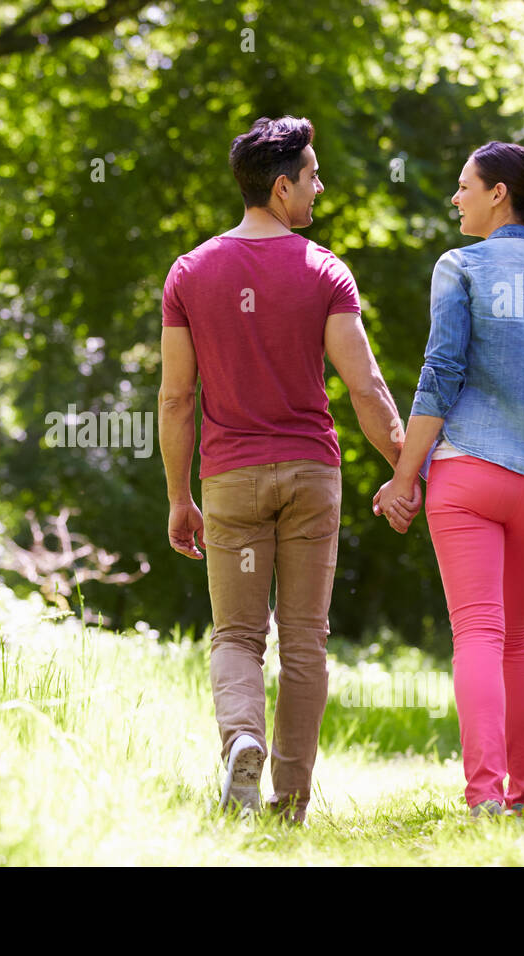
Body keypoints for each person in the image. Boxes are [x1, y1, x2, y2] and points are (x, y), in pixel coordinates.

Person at [158, 115, 420, 824]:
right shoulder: (323, 270)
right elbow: (365, 386)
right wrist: (406, 467)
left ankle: (242, 737)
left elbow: (178, 397)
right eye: (311, 176)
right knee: (305, 640)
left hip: (232, 481)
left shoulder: (190, 272)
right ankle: (289, 805)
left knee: (238, 635)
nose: (320, 186)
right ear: (282, 187)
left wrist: (180, 498)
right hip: (310, 477)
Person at [373, 141, 524, 820]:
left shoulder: (461, 267)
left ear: (499, 192)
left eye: (464, 186)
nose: (455, 198)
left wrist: (403, 479)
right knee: (519, 637)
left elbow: (439, 375)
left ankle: (483, 799)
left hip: (467, 474)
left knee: (476, 632)